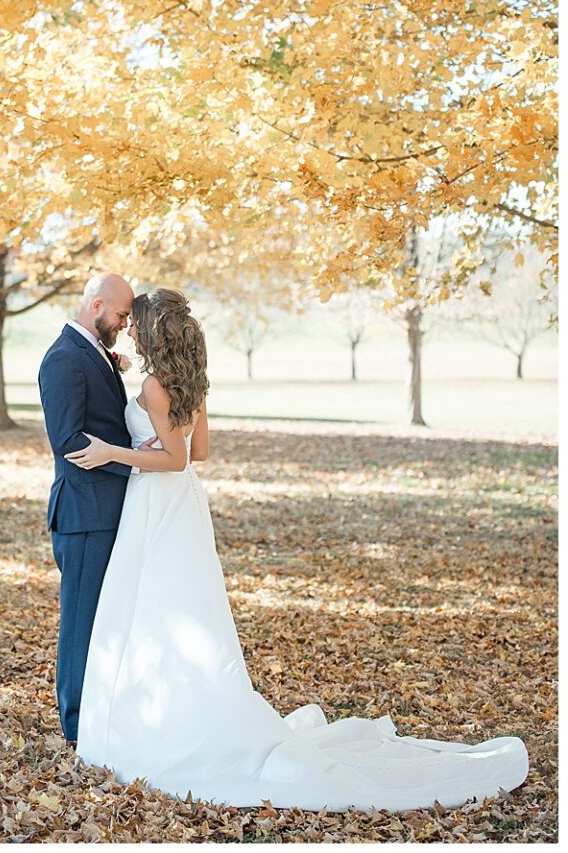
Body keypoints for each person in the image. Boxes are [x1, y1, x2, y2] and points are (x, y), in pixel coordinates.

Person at [64, 288, 529, 810]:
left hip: (157, 503)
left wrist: (114, 451)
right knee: (177, 605)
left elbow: (175, 461)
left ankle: (157, 720)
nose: (127, 328)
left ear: (150, 331)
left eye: (134, 323)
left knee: (154, 606)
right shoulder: (188, 382)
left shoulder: (153, 385)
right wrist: (155, 442)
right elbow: (201, 452)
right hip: (181, 509)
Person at [37, 272, 136, 743]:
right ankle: (76, 727)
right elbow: (68, 441)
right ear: (97, 306)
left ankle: (103, 714)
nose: (124, 323)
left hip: (107, 512)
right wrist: (135, 466)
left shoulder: (95, 354)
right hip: (84, 515)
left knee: (105, 619)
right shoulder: (63, 359)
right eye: (120, 314)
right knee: (80, 623)